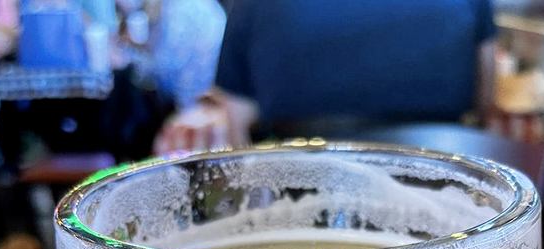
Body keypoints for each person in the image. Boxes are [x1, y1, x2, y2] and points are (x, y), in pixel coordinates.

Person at [154, 0, 497, 154]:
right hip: (448, 184)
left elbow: (234, 125)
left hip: (300, 195)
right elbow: (486, 100)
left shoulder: (252, 4)